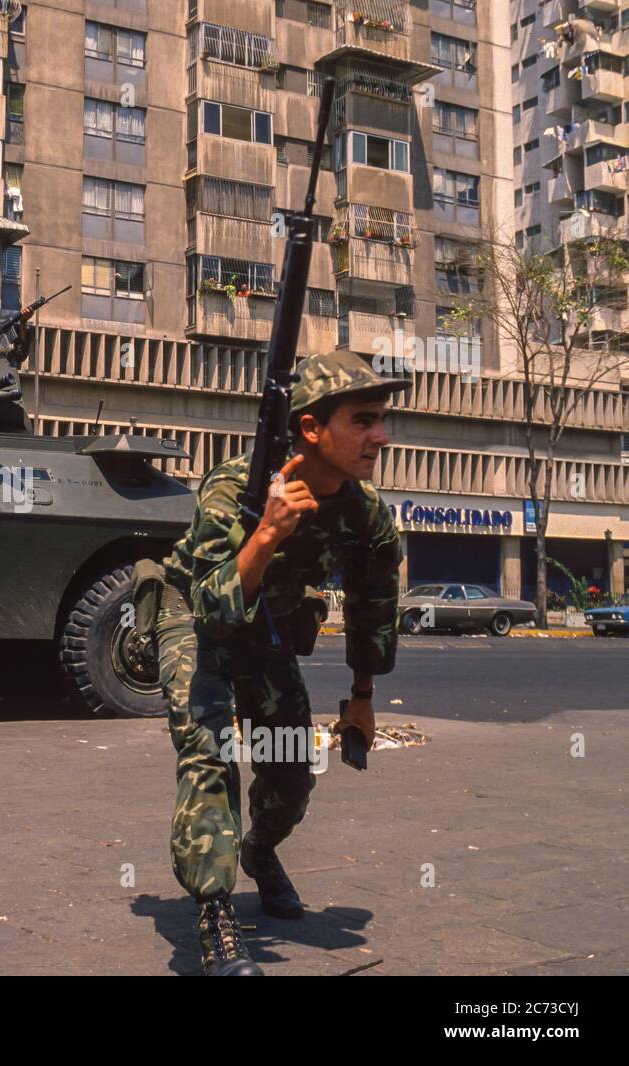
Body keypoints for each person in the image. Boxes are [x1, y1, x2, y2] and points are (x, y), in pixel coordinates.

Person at [156, 350, 408, 976]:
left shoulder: (366, 512)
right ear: (311, 429)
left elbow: (374, 607)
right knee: (210, 754)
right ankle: (217, 921)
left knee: (292, 766)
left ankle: (259, 853)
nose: (381, 435)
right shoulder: (236, 486)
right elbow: (213, 604)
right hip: (198, 617)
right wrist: (266, 532)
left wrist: (361, 697)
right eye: (363, 420)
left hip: (263, 629)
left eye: (381, 420)